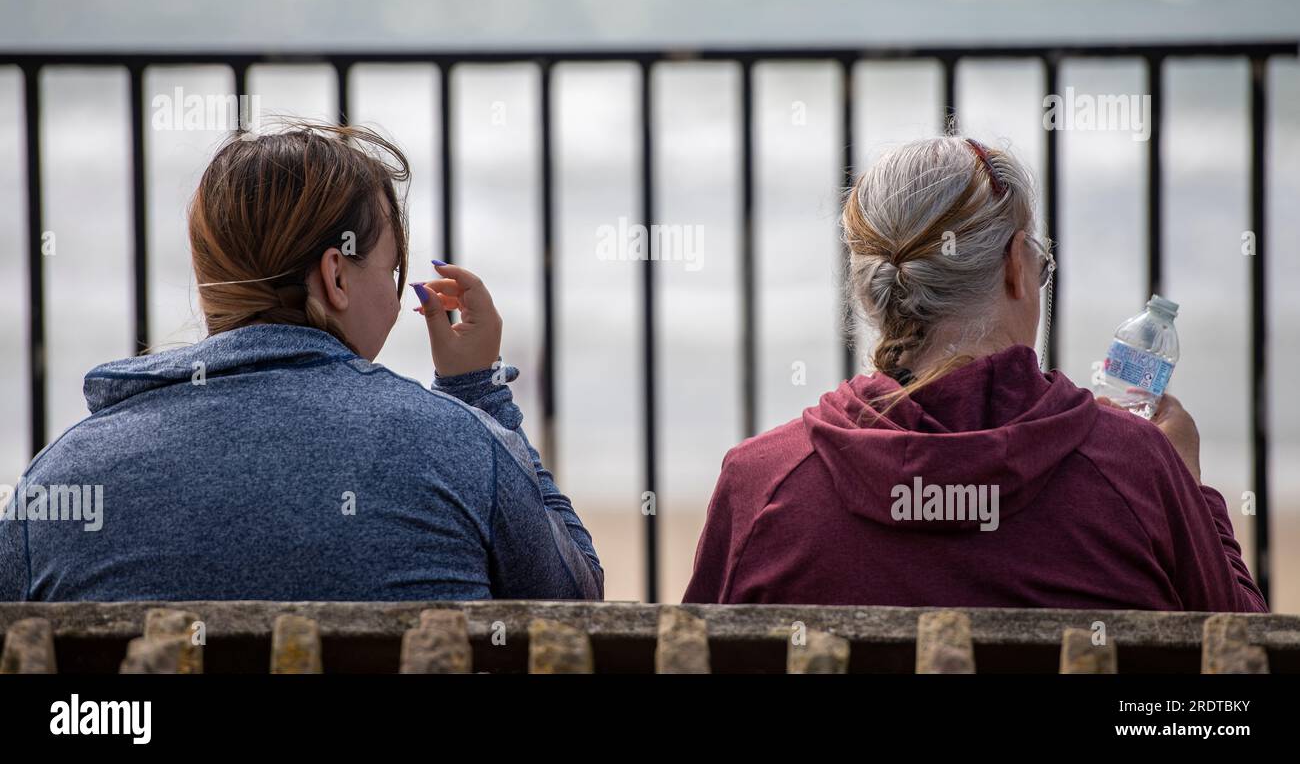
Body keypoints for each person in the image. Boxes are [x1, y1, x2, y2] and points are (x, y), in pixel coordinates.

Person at [0, 121, 602, 601]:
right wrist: (479, 391)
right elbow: (573, 602)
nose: (397, 293)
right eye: (392, 271)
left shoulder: (61, 479)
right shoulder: (456, 447)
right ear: (335, 276)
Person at [683, 134, 1266, 612]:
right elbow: (1238, 668)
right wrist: (1191, 489)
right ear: (1017, 266)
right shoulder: (1135, 471)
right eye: (1039, 259)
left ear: (870, 288)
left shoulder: (762, 483)